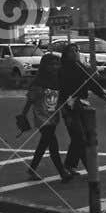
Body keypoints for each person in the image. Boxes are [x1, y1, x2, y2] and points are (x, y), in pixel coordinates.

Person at [58, 39, 106, 175]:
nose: (77, 53)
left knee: (84, 136)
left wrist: (104, 96)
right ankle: (72, 165)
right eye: (73, 51)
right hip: (68, 106)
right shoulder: (62, 70)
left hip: (82, 104)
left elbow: (92, 83)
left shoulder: (80, 67)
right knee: (79, 136)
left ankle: (78, 166)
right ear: (66, 55)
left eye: (77, 50)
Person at [16, 49, 70, 182]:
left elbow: (59, 98)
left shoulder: (56, 80)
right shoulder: (38, 82)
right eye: (51, 64)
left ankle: (32, 169)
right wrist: (23, 115)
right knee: (52, 145)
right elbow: (30, 100)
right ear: (44, 66)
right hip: (42, 117)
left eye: (57, 64)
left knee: (44, 143)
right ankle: (62, 172)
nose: (54, 67)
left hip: (53, 115)